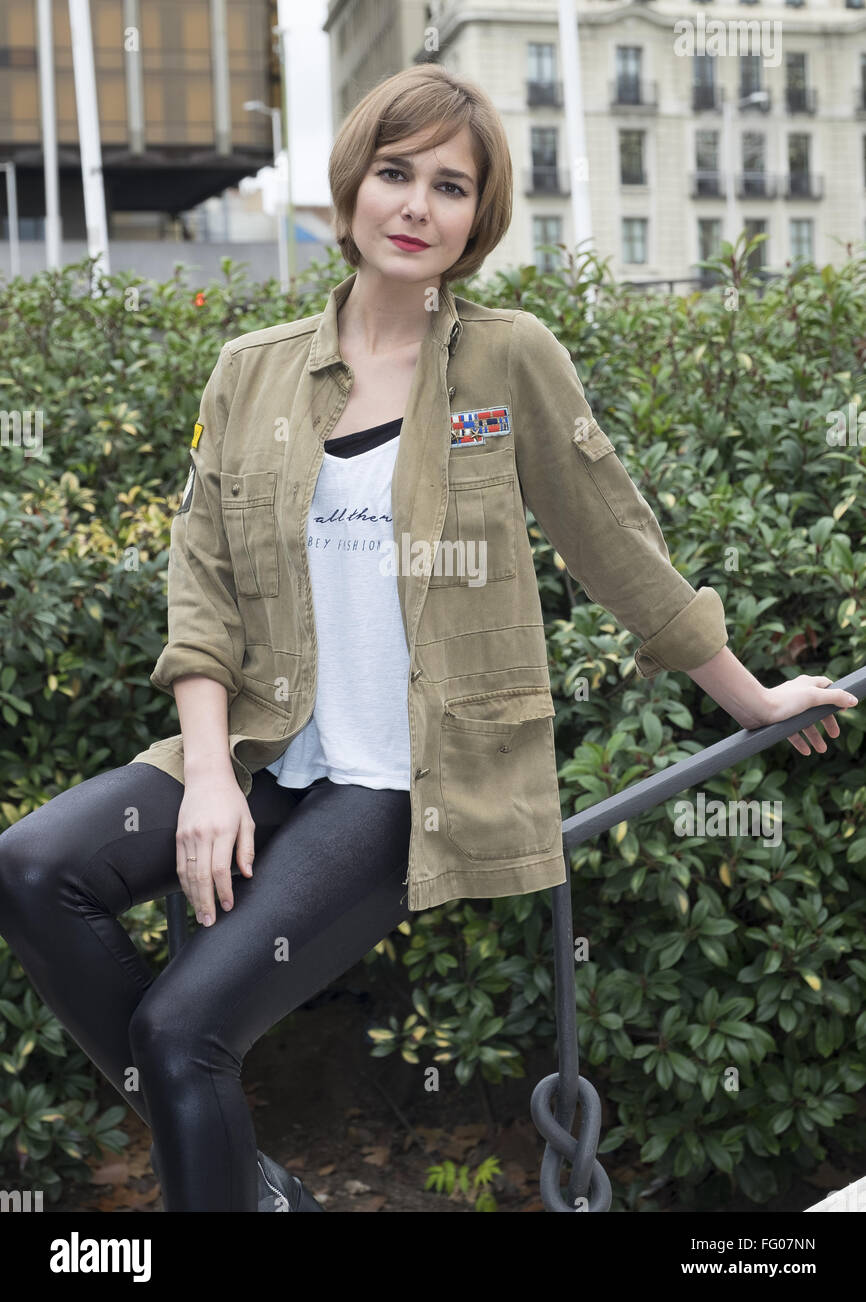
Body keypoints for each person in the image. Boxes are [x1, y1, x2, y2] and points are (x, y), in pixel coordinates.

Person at [0, 64, 857, 1214]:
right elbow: (198, 585)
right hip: (261, 749)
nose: (415, 204)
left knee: (181, 1026)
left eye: (449, 186)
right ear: (352, 185)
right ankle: (249, 1184)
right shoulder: (248, 371)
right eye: (394, 173)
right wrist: (205, 773)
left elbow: (614, 544)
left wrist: (747, 695)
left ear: (476, 217)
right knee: (35, 867)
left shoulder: (506, 361)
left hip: (399, 782)